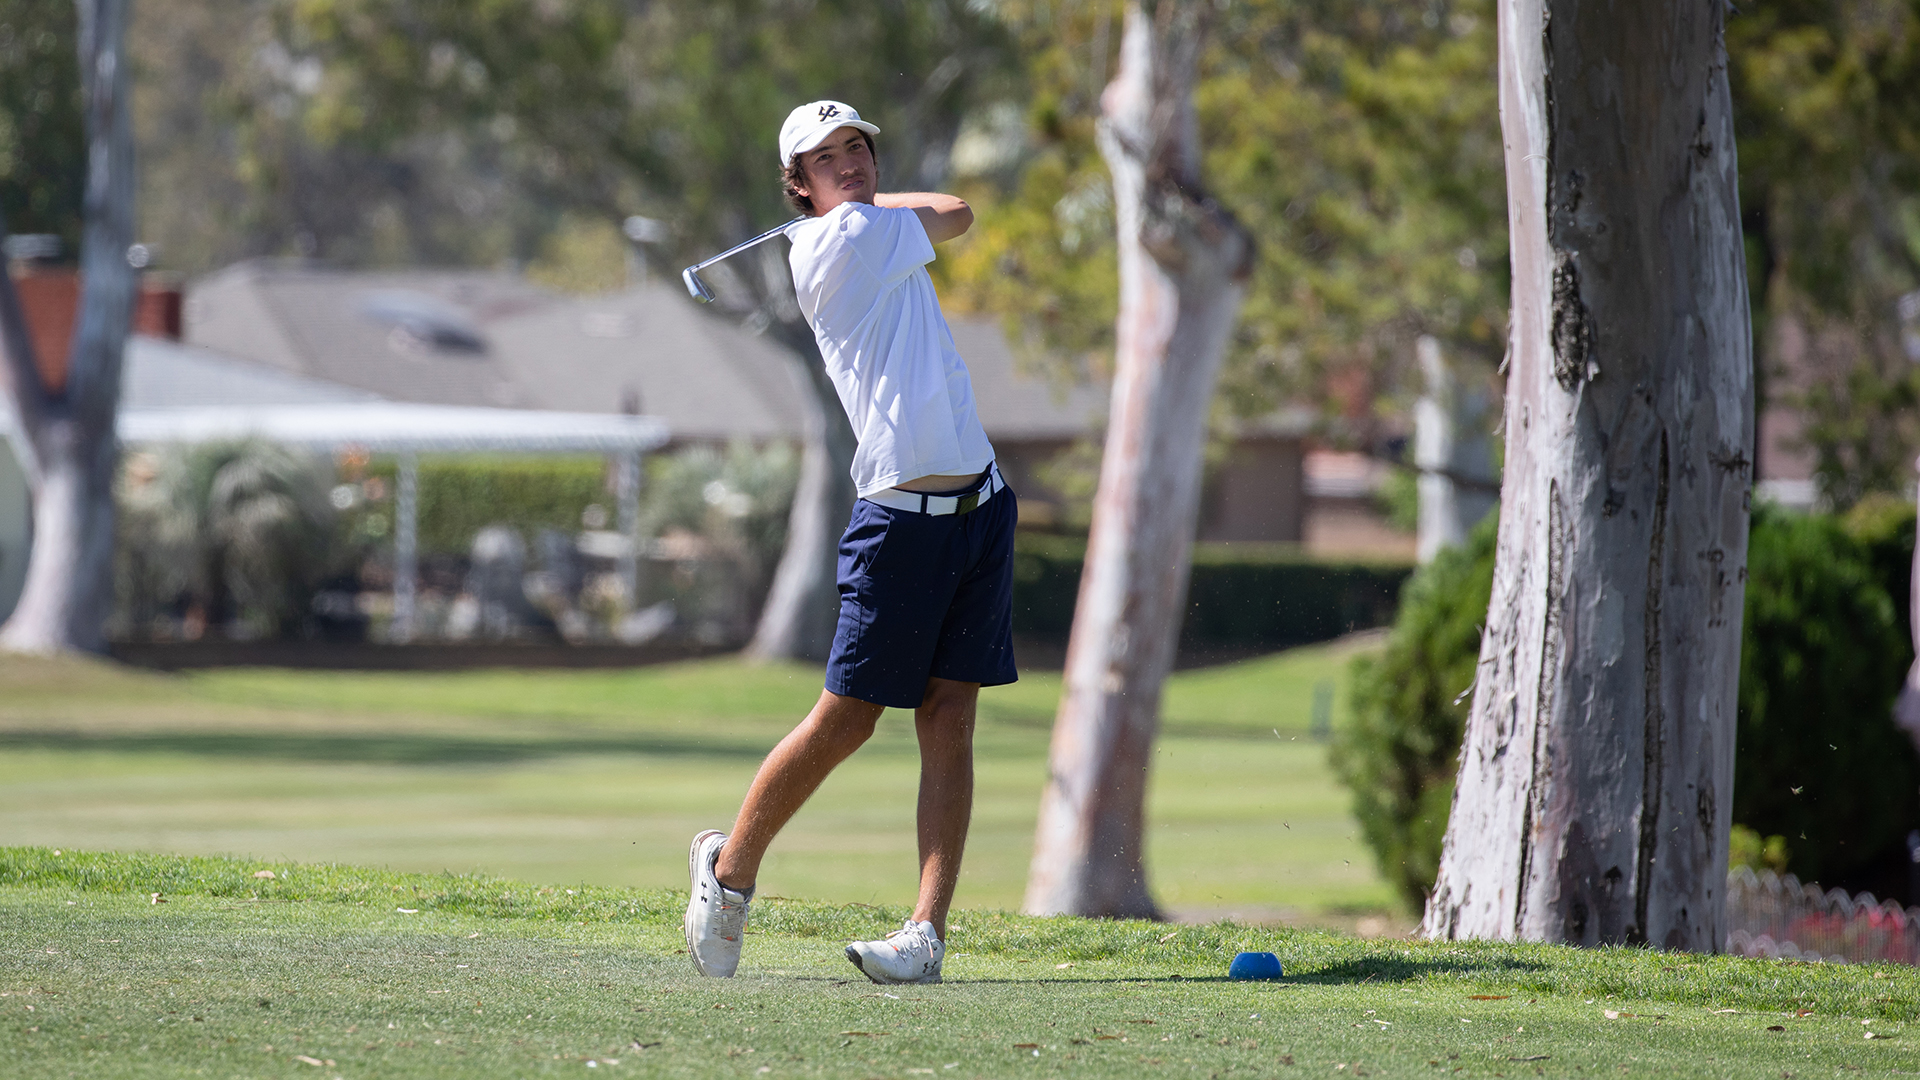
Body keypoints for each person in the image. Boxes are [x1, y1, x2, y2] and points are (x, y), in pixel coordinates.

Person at [683, 100, 1018, 986]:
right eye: (826, 159)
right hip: (899, 523)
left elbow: (945, 214)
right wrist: (852, 209)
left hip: (981, 506)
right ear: (798, 186)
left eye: (858, 148)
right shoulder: (839, 245)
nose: (852, 163)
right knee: (848, 720)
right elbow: (955, 210)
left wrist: (854, 200)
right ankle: (726, 878)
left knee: (951, 720)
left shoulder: (863, 226)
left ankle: (925, 936)